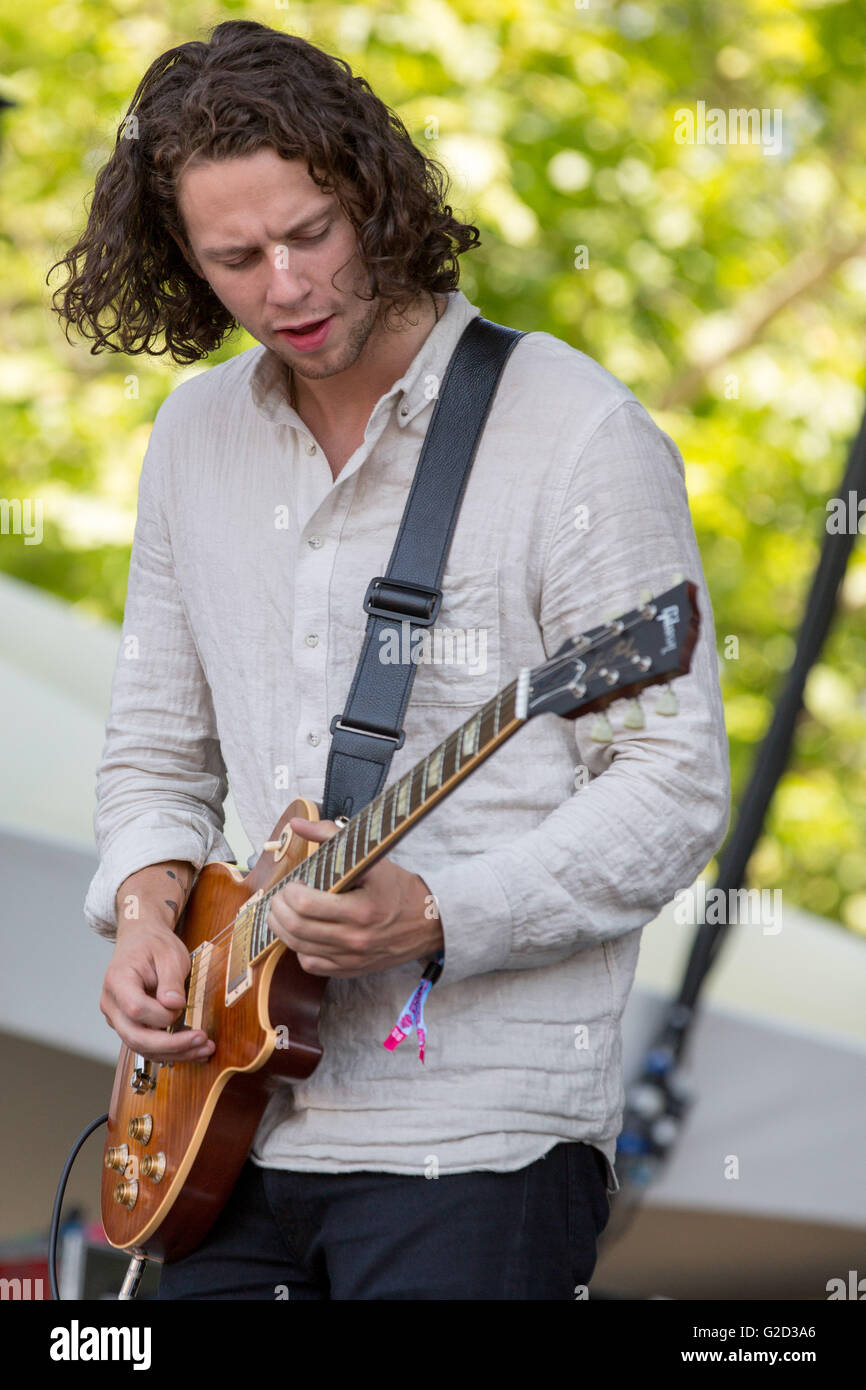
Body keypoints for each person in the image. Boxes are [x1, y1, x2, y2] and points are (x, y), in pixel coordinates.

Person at [51, 19, 730, 1300]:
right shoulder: (194, 435)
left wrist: (434, 914)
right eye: (235, 259)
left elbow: (670, 782)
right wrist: (147, 915)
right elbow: (153, 745)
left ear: (372, 191)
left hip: (476, 1141)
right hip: (225, 1134)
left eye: (310, 233)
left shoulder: (575, 433)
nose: (285, 287)